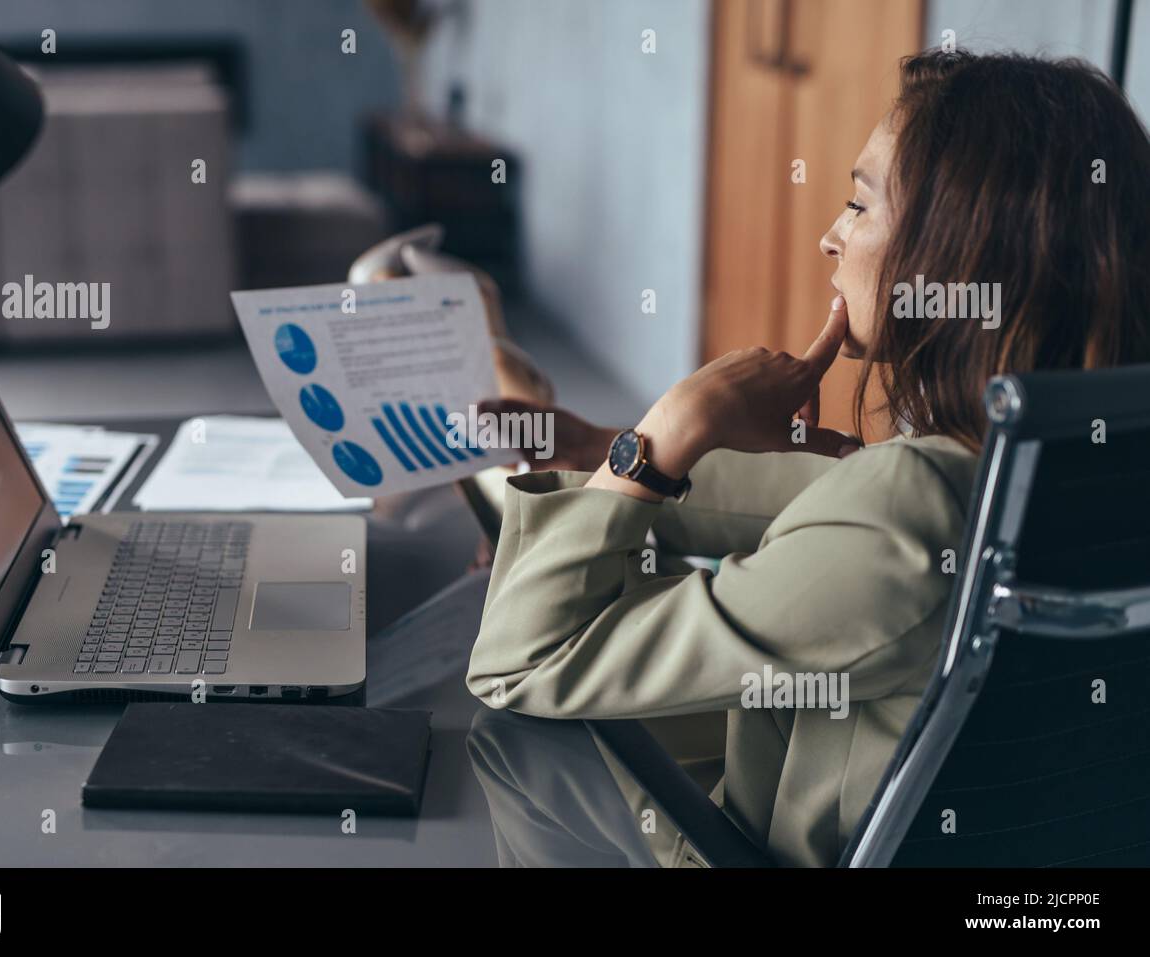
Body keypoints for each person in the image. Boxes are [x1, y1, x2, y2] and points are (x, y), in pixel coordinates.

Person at [465, 48, 1150, 867]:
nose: (831, 236)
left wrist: (669, 432)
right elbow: (854, 498)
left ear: (958, 247)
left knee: (507, 726)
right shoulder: (1073, 455)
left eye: (860, 206)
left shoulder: (906, 506)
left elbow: (518, 659)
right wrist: (603, 451)